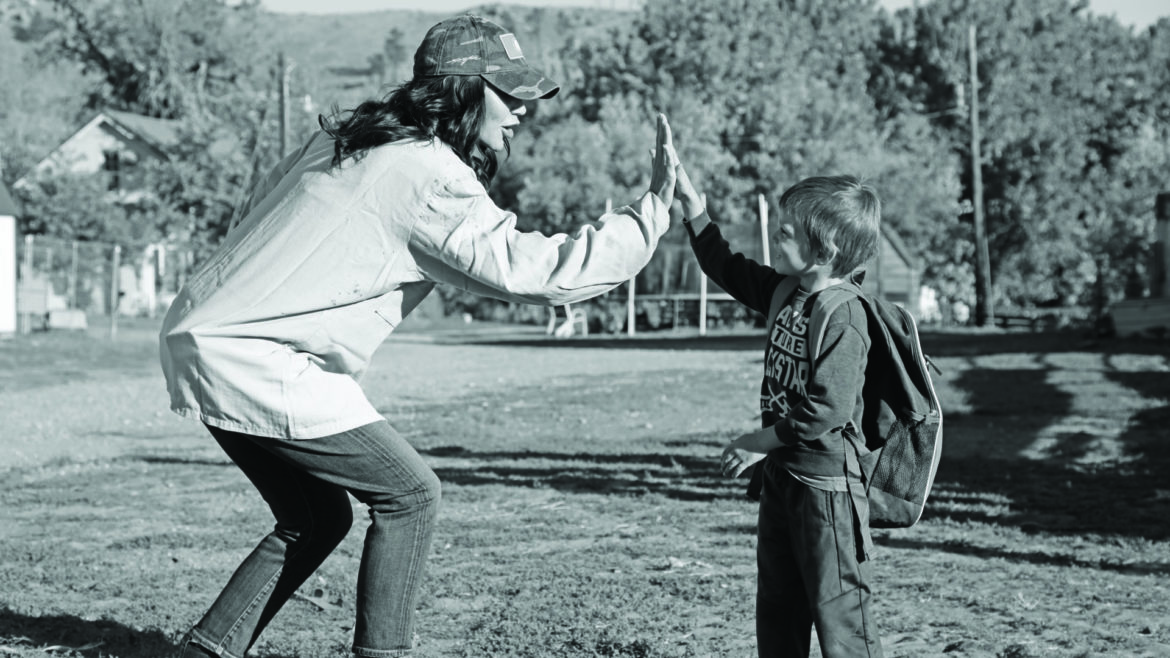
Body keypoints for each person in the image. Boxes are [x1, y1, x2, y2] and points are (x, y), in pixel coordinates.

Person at [161, 14, 678, 658]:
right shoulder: (425, 171)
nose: (521, 111)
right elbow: (531, 272)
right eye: (507, 93)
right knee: (410, 494)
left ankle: (203, 650)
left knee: (316, 519)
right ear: (461, 90)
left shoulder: (354, 140)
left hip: (207, 336)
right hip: (257, 357)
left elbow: (263, 208)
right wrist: (651, 213)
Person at [673, 164, 883, 657]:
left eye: (786, 231)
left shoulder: (844, 315)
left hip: (827, 493)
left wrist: (757, 443)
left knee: (841, 621)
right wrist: (693, 208)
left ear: (824, 251)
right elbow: (724, 266)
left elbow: (827, 409)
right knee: (778, 610)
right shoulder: (784, 290)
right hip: (783, 480)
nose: (775, 234)